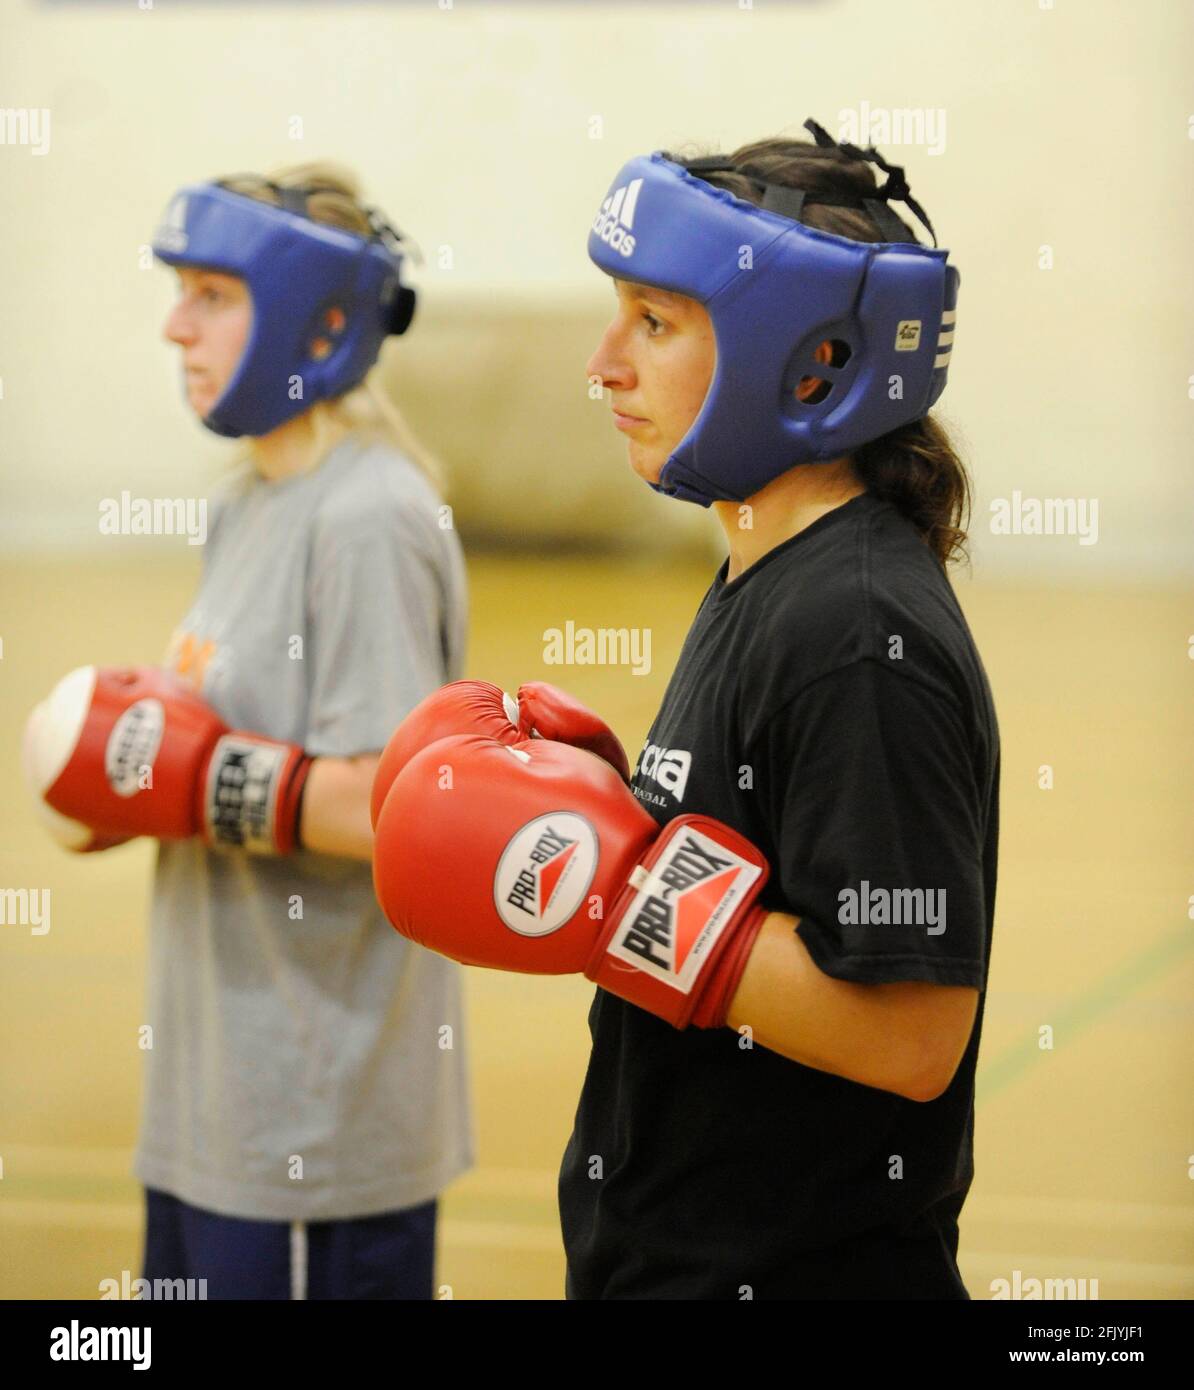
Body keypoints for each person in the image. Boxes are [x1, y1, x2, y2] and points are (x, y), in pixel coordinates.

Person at [368, 119, 999, 1300]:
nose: (604, 364)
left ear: (804, 362)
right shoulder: (768, 565)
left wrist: (609, 892)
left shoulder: (861, 636)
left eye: (654, 323)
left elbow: (913, 1034)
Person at [22, 164, 473, 1299]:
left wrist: (188, 778)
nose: (175, 324)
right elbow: (224, 757)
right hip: (213, 1103)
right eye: (181, 291)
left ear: (315, 322)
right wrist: (119, 778)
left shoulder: (369, 515)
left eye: (213, 295)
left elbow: (394, 808)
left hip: (315, 1129)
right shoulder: (246, 501)